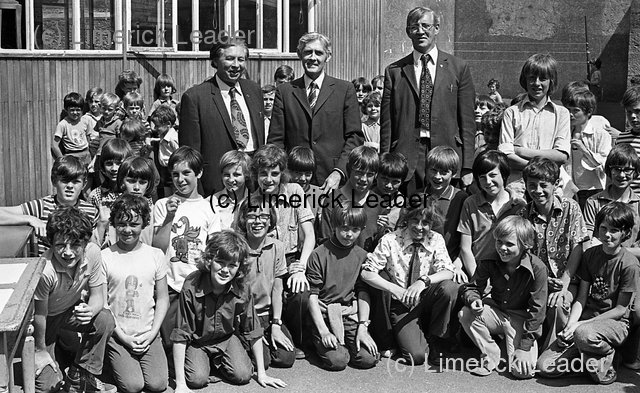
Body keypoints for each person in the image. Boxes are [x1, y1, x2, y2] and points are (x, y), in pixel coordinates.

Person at [537, 202, 639, 384]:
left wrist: (581, 326)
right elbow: (582, 297)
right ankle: (590, 361)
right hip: (587, 322)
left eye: (614, 230)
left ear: (625, 233)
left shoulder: (629, 263)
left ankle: (608, 352)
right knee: (544, 366)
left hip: (615, 324)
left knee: (583, 335)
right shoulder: (590, 255)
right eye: (603, 228)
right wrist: (571, 324)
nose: (607, 235)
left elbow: (621, 310)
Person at [171, 231, 287, 389]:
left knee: (243, 375)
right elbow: (181, 332)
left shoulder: (242, 286)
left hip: (226, 338)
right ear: (210, 260)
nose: (225, 270)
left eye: (232, 265)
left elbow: (252, 328)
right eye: (220, 262)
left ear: (239, 266)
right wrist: (181, 384)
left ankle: (214, 363)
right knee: (196, 379)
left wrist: (262, 374)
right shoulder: (192, 284)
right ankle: (200, 364)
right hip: (198, 341)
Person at [380, 6, 476, 196]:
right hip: (406, 158)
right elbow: (387, 123)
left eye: (426, 26)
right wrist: (385, 161)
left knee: (444, 219)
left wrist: (467, 167)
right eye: (414, 27)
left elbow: (467, 122)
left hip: (446, 157)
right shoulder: (395, 71)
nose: (420, 31)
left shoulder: (458, 68)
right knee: (409, 216)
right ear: (408, 32)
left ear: (437, 29)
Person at [361, 203, 459, 366]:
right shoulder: (390, 239)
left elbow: (448, 271)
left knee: (449, 288)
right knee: (417, 356)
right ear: (406, 219)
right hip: (402, 303)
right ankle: (414, 336)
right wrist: (395, 290)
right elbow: (367, 273)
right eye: (415, 220)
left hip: (425, 298)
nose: (420, 227)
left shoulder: (436, 239)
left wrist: (423, 281)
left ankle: (436, 339)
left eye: (426, 223)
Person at [268, 32, 364, 193]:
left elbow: (354, 137)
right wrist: (285, 175)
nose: (313, 58)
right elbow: (276, 140)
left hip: (333, 180)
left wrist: (339, 171)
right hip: (294, 181)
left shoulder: (344, 89)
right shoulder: (285, 92)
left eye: (318, 53)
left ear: (328, 56)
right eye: (308, 52)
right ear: (299, 55)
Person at [33, 207, 115, 393]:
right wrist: (40, 350)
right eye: (61, 245)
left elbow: (97, 297)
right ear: (50, 243)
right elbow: (39, 314)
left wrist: (91, 311)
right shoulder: (45, 270)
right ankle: (49, 357)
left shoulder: (93, 252)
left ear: (86, 243)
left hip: (70, 310)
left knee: (104, 320)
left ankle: (79, 375)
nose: (68, 253)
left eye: (75, 245)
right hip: (45, 321)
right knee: (48, 385)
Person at [459, 215, 547, 379]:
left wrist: (524, 347)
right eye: (499, 242)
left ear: (525, 245)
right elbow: (472, 287)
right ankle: (492, 355)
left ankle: (512, 346)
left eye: (509, 244)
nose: (502, 248)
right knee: (465, 313)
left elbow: (538, 310)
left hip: (521, 317)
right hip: (497, 311)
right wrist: (474, 299)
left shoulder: (538, 268)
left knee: (521, 372)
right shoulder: (488, 260)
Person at [519, 157, 589, 350]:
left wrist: (565, 283)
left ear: (556, 184)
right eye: (532, 185)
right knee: (533, 304)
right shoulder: (524, 214)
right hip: (537, 279)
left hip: (568, 278)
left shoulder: (570, 208)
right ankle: (532, 346)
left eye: (544, 185)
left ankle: (558, 351)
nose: (538, 191)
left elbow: (578, 246)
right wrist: (541, 279)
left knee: (559, 304)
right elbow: (524, 253)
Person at [154, 147, 221, 347]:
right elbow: (157, 248)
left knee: (195, 342)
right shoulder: (163, 204)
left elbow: (214, 246)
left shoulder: (211, 206)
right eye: (175, 175)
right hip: (170, 286)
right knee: (170, 343)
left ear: (199, 173)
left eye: (186, 173)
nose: (180, 179)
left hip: (197, 285)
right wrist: (169, 217)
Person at [180, 38, 265, 195]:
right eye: (229, 58)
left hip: (254, 181)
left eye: (241, 59)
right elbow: (190, 153)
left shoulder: (254, 90)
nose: (236, 65)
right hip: (218, 184)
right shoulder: (195, 97)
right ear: (215, 61)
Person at [102, 195, 169, 393]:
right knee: (133, 386)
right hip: (119, 334)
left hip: (148, 332)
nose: (127, 230)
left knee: (158, 384)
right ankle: (110, 361)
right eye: (121, 224)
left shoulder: (155, 255)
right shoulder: (105, 257)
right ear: (114, 223)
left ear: (144, 224)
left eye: (134, 224)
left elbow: (162, 297)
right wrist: (123, 337)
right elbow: (103, 303)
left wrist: (153, 333)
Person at [306, 206, 379, 370]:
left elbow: (363, 292)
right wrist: (324, 331)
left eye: (355, 229)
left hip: (348, 314)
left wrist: (362, 327)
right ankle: (316, 340)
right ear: (334, 226)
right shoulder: (319, 254)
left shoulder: (361, 255)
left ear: (362, 230)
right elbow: (312, 296)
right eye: (344, 228)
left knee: (368, 359)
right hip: (323, 313)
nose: (349, 234)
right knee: (338, 361)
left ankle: (346, 343)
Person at [234, 198, 295, 368]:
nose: (258, 221)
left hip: (267, 315)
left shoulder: (277, 247)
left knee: (286, 358)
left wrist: (276, 323)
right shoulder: (237, 246)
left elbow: (277, 289)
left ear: (270, 220)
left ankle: (267, 339)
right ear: (243, 219)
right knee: (264, 362)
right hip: (243, 316)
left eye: (263, 216)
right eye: (252, 216)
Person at [0, 155, 98, 256]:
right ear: (54, 181)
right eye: (64, 180)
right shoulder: (41, 206)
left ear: (84, 184)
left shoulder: (90, 211)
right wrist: (30, 219)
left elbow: (93, 249)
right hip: (46, 265)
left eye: (76, 182)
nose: (70, 186)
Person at [499, 53, 570, 188]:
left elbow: (561, 156)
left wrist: (521, 151)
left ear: (551, 81)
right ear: (525, 80)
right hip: (518, 185)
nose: (536, 83)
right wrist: (538, 171)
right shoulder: (512, 113)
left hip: (549, 186)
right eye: (532, 78)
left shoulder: (561, 114)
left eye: (543, 79)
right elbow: (506, 156)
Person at [457, 150, 524, 281]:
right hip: (477, 269)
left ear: (504, 175)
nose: (488, 181)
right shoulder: (470, 203)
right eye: (482, 177)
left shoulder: (518, 205)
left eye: (493, 175)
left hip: (508, 273)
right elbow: (465, 248)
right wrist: (478, 279)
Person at [319, 146, 380, 251]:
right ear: (348, 170)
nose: (364, 179)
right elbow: (324, 240)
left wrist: (382, 232)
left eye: (369, 174)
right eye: (359, 172)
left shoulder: (378, 202)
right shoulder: (333, 200)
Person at [583, 144, 640, 257]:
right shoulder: (594, 202)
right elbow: (586, 244)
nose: (622, 175)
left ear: (635, 172)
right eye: (617, 169)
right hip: (599, 263)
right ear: (609, 170)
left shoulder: (638, 204)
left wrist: (614, 250)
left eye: (628, 170)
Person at [561, 85, 612, 208]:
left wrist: (584, 150)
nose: (570, 114)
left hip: (594, 189)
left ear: (588, 112)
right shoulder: (565, 132)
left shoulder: (600, 134)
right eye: (568, 110)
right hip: (570, 189)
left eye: (575, 110)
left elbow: (604, 163)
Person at [422, 146, 468, 278]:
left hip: (451, 262)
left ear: (453, 173)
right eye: (433, 170)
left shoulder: (461, 198)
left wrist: (458, 263)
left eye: (444, 172)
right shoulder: (419, 196)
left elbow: (466, 238)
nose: (437, 177)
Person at [93, 156, 157, 249]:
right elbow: (94, 249)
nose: (136, 187)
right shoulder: (110, 210)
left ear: (148, 185)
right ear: (122, 181)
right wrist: (102, 224)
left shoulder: (153, 211)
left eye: (142, 182)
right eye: (131, 181)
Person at [209, 150, 251, 229]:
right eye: (226, 175)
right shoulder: (211, 203)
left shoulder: (256, 202)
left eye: (236, 175)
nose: (231, 179)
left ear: (246, 175)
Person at [89, 138, 133, 211]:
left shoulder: (135, 191)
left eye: (119, 164)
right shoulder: (96, 195)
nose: (114, 169)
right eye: (109, 164)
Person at [52, 92, 90, 166]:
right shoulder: (63, 124)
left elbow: (88, 137)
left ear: (82, 109)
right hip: (71, 156)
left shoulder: (85, 121)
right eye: (72, 110)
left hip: (85, 155)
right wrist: (62, 159)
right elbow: (54, 145)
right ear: (66, 110)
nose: (75, 112)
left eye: (78, 110)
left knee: (87, 176)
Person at [616, 85, 640, 194]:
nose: (633, 116)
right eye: (629, 112)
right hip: (625, 199)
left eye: (637, 111)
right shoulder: (621, 139)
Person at [94, 93, 123, 157]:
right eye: (104, 108)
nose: (106, 111)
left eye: (110, 109)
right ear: (100, 106)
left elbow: (120, 140)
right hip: (100, 153)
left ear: (116, 110)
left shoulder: (117, 123)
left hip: (112, 153)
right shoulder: (99, 122)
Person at [82, 87, 103, 160]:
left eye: (97, 101)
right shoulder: (85, 118)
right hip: (92, 150)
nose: (93, 104)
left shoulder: (106, 116)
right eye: (91, 101)